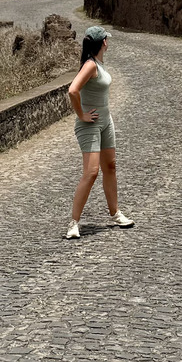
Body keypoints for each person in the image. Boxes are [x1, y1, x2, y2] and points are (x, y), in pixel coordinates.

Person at [65, 25, 135, 239]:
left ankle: (116, 213)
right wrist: (81, 115)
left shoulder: (98, 64)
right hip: (90, 125)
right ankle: (73, 223)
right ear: (103, 42)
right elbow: (73, 90)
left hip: (105, 121)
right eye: (107, 39)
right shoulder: (90, 65)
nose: (108, 42)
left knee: (110, 167)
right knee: (91, 172)